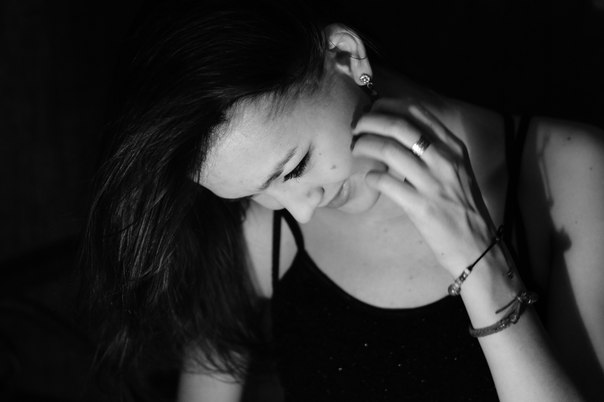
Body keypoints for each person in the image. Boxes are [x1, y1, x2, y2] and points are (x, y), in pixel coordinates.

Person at [83, 1, 604, 400]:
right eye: (255, 192)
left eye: (295, 167)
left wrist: (481, 262)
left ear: (345, 56)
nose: (299, 210)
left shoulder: (571, 172)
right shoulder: (258, 229)